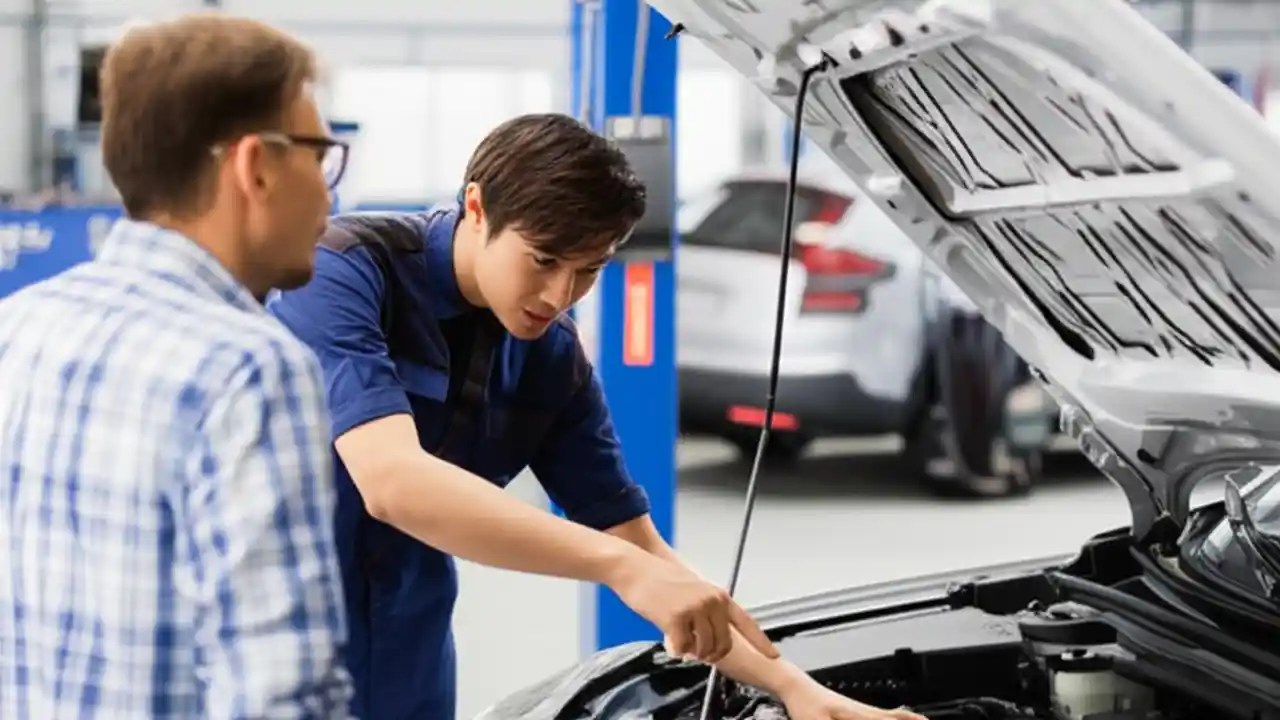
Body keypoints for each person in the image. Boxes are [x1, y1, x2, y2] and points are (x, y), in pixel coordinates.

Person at [268, 112, 925, 720]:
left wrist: (796, 689)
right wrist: (619, 567)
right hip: (274, 642)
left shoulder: (550, 357)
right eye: (544, 260)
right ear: (477, 206)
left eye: (589, 270)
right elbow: (392, 483)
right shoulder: (342, 271)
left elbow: (639, 548)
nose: (560, 295)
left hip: (409, 653)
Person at [0, 14, 354, 719]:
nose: (328, 192)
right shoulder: (249, 370)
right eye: (320, 156)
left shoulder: (20, 327)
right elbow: (280, 698)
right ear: (256, 166)